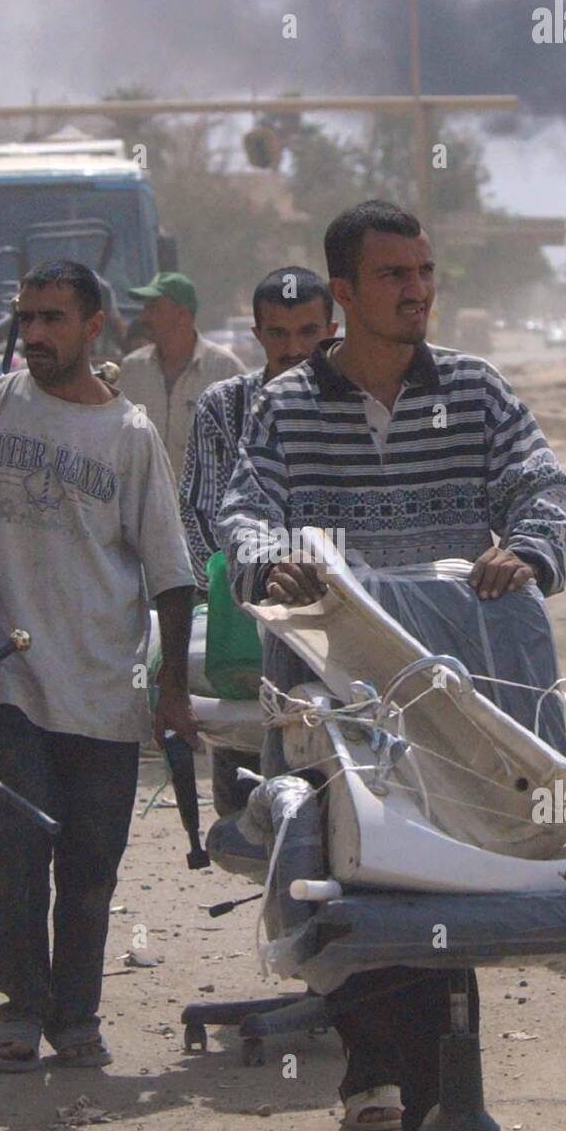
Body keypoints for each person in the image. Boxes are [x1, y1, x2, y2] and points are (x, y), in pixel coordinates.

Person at [218, 200, 566, 1131]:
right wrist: (270, 564)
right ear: (343, 293)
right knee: (363, 884)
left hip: (452, 706)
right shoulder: (285, 406)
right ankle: (376, 1079)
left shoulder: (475, 390)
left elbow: (537, 482)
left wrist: (527, 550)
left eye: (422, 273)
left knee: (451, 888)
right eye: (392, 276)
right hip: (335, 706)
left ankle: (443, 1105)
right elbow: (246, 509)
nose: (415, 291)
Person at [0, 260, 197, 1073]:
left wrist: (171, 687)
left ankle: (77, 1018)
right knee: (18, 839)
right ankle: (20, 1008)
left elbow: (170, 576)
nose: (34, 334)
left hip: (106, 685)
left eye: (53, 319)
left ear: (93, 326)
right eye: (26, 319)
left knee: (88, 862)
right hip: (9, 674)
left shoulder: (129, 436)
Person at [179, 266, 337, 816]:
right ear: (257, 334)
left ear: (332, 328)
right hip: (249, 626)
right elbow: (202, 516)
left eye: (308, 333)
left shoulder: (351, 405)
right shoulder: (224, 406)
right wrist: (241, 588)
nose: (294, 349)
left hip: (342, 621)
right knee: (250, 802)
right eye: (278, 334)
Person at [117, 271, 245, 478]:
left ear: (182, 316)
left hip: (201, 508)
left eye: (153, 309)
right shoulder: (132, 369)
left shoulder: (225, 371)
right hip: (144, 507)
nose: (143, 317)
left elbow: (243, 451)